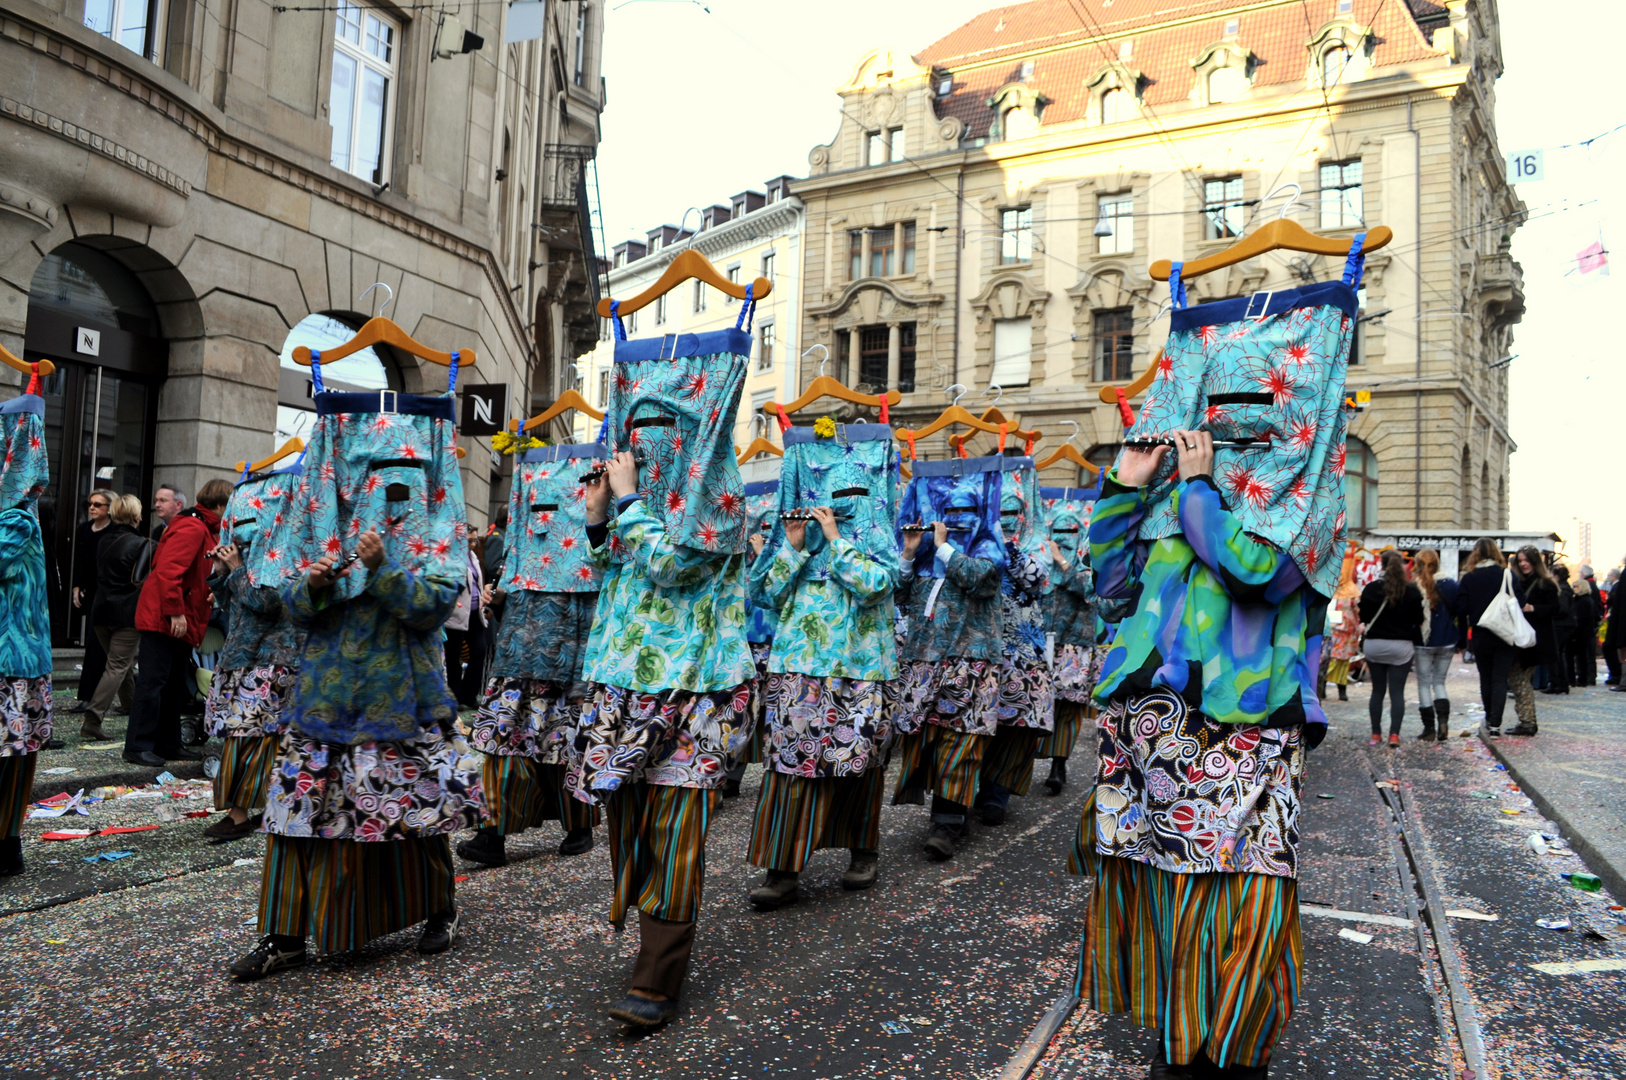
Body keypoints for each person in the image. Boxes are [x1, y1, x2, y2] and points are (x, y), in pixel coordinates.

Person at [230, 376, 485, 981]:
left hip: (402, 693)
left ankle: (436, 910)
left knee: (414, 814)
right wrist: (313, 586)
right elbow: (291, 606)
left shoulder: (431, 530)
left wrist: (383, 567)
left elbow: (433, 609)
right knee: (295, 817)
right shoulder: (321, 522)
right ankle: (284, 933)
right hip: (324, 694)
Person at [568, 307, 757, 1029]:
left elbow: (673, 565)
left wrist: (626, 502)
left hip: (697, 689)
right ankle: (647, 941)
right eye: (635, 441)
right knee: (633, 826)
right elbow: (613, 570)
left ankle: (657, 976)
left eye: (657, 439)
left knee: (676, 833)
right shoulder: (633, 499)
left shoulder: (720, 496)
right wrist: (597, 521)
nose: (642, 451)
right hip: (624, 683)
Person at [744, 420, 898, 909]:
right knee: (790, 767)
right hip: (798, 665)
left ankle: (862, 851)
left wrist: (835, 540)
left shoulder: (875, 533)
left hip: (861, 663)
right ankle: (782, 870)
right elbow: (761, 594)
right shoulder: (791, 533)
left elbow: (880, 584)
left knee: (860, 763)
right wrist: (790, 545)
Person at [459, 442, 604, 868]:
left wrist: (583, 677)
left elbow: (593, 600)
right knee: (504, 744)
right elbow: (514, 577)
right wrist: (499, 598)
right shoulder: (524, 535)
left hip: (562, 662)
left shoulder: (589, 549)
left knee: (560, 742)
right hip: (519, 657)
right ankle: (491, 834)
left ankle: (578, 825)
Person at [888, 456, 1006, 863]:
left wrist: (943, 547)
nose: (956, 519)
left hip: (971, 662)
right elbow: (898, 596)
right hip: (924, 660)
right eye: (949, 512)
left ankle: (947, 823)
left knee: (961, 742)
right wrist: (909, 552)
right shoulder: (925, 557)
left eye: (966, 511)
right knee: (931, 742)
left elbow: (980, 579)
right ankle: (950, 811)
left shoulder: (989, 547)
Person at [199, 466, 306, 842]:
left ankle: (239, 813)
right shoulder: (251, 550)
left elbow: (267, 600)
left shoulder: (286, 550)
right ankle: (247, 810)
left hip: (273, 656)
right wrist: (220, 571)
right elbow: (231, 602)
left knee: (249, 735)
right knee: (248, 734)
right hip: (246, 653)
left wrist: (237, 568)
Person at [122, 478, 230, 768]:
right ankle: (138, 745)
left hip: (177, 617)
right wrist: (175, 611)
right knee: (153, 682)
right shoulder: (193, 527)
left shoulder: (202, 529)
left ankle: (167, 743)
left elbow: (193, 574)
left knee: (171, 685)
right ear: (220, 505)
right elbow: (169, 572)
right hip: (166, 617)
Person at [974, 457, 1052, 826]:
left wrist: (1008, 547)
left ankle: (995, 795)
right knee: (974, 722)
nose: (1004, 515)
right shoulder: (972, 539)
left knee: (1011, 726)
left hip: (1022, 651)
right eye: (996, 509)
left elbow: (1038, 582)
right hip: (979, 645)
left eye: (1011, 509)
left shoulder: (1035, 539)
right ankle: (960, 797)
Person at [0, 390, 53, 878]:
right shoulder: (19, 515)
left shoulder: (15, 516)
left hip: (10, 662)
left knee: (10, 760)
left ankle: (5, 845)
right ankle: (6, 845)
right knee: (10, 759)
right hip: (15, 659)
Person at [1036, 488, 1096, 796]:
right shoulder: (1039, 554)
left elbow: (1091, 589)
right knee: (1037, 701)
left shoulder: (1088, 558)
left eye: (1070, 530)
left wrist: (1062, 561)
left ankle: (1058, 765)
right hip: (1042, 640)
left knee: (1068, 708)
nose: (1063, 536)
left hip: (1076, 641)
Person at [79, 495, 144, 741]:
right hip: (126, 614)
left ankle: (130, 706)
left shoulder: (103, 539)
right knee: (117, 666)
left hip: (101, 611)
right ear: (136, 516)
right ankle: (93, 719)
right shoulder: (142, 544)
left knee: (121, 664)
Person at [1456, 538, 1524, 737]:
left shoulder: (1470, 578)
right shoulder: (1507, 575)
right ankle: (1496, 724)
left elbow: (1461, 609)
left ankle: (1489, 718)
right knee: (1500, 679)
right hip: (1505, 634)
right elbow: (1521, 600)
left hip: (1481, 635)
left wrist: (1462, 640)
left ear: (1475, 554)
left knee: (1486, 678)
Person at [1357, 550, 1424, 747]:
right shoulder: (1411, 590)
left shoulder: (1370, 589)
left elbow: (1365, 617)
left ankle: (1375, 734)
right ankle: (1394, 735)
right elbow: (1418, 620)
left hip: (1375, 645)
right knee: (1397, 692)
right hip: (1401, 646)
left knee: (1377, 691)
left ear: (1382, 565)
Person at [67, 490, 114, 714]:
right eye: (90, 504)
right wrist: (76, 587)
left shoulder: (114, 532)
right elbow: (80, 562)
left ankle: (92, 698)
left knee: (99, 646)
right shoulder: (84, 529)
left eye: (98, 504)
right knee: (92, 644)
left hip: (108, 593)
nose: (92, 508)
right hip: (90, 592)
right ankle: (87, 696)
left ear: (109, 508)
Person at [1411, 548, 1460, 741]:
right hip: (1447, 639)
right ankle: (1443, 723)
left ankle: (1429, 728)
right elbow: (1458, 611)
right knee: (1439, 682)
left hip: (1423, 642)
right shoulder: (1451, 585)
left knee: (1424, 683)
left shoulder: (1414, 586)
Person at [1508, 546, 1557, 735]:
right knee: (1517, 679)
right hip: (1523, 639)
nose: (1523, 564)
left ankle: (1528, 722)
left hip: (1535, 640)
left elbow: (1556, 608)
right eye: (1520, 560)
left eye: (1526, 560)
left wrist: (1533, 608)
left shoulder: (1546, 583)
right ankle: (1526, 720)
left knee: (1520, 679)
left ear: (1535, 561)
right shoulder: (1519, 581)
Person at [443, 539, 490, 710]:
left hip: (475, 611)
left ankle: (469, 694)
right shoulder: (452, 555)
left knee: (479, 650)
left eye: (475, 540)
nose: (473, 543)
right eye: (469, 539)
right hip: (456, 612)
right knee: (453, 656)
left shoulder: (474, 557)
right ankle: (454, 697)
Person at [1324, 555, 1361, 702]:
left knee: (1343, 662)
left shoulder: (1352, 591)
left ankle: (1341, 688)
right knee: (1328, 661)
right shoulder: (1329, 586)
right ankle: (1322, 687)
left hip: (1346, 633)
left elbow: (1358, 611)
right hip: (1330, 631)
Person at [1570, 568, 1600, 687]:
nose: (1574, 589)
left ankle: (1584, 678)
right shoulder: (1588, 600)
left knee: (1582, 656)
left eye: (1576, 587)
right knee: (1587, 656)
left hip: (1582, 633)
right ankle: (1588, 677)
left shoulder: (1581, 601)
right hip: (1588, 632)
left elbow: (1580, 618)